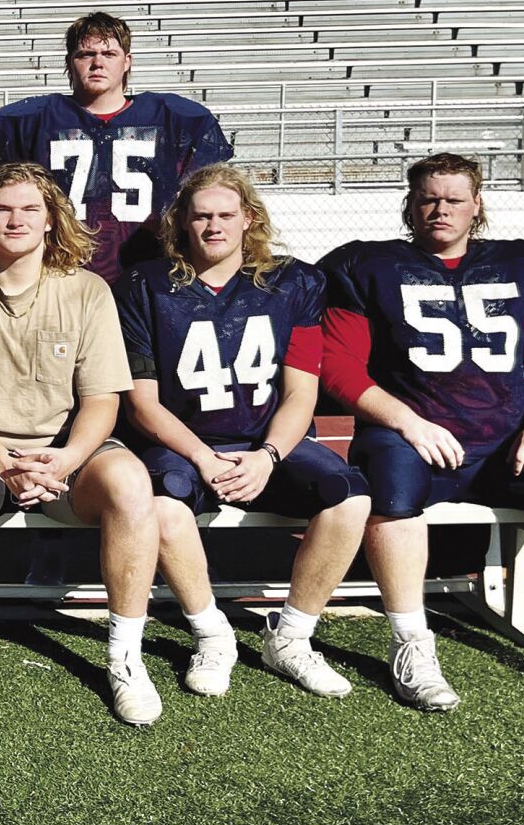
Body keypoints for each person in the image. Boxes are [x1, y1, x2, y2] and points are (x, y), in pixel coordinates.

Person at [320, 153, 524, 713]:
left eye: (454, 199)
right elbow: (339, 369)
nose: (441, 210)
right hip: (412, 436)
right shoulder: (368, 266)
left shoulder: (519, 266)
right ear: (409, 205)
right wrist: (408, 422)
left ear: (477, 206)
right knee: (392, 489)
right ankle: (412, 644)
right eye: (428, 199)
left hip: (505, 439)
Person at [0, 163, 162, 728]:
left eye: (31, 208)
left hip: (65, 456)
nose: (16, 220)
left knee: (131, 483)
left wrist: (67, 459)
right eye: (2, 208)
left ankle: (126, 659)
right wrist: (4, 462)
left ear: (51, 219)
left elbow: (101, 400)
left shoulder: (87, 291)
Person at [116, 164, 370, 701]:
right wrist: (203, 457)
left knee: (350, 497)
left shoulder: (293, 283)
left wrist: (269, 455)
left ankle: (292, 637)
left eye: (226, 215)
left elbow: (300, 392)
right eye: (201, 216)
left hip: (264, 441)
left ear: (248, 218)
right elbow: (142, 403)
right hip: (181, 444)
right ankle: (212, 634)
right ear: (181, 222)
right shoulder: (145, 285)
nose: (214, 226)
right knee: (160, 505)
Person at [0, 11, 232, 285]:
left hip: (152, 278)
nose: (97, 63)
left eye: (109, 54)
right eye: (86, 54)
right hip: (57, 274)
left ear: (127, 62)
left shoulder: (175, 119)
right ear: (69, 62)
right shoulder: (29, 121)